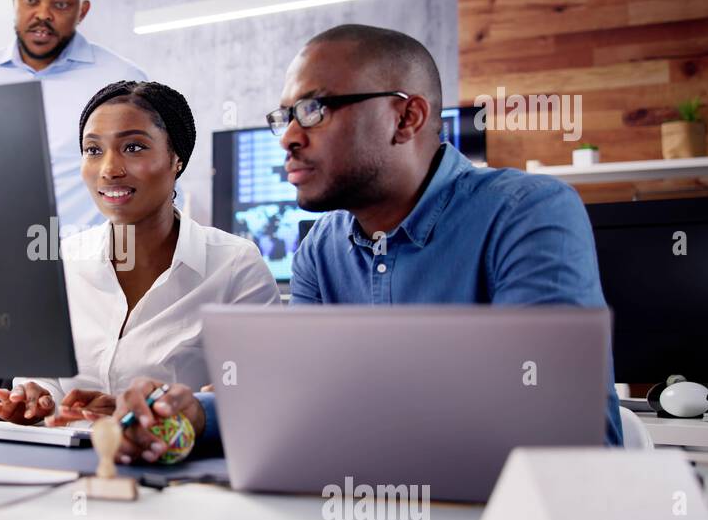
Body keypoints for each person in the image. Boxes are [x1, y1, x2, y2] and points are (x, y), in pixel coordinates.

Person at [108, 23, 622, 465]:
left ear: (406, 118)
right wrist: (193, 412)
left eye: (314, 109)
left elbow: (554, 423)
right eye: (284, 116)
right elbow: (300, 397)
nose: (288, 137)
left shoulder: (525, 211)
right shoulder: (321, 250)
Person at [0, 81, 279, 426]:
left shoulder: (235, 266)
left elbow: (260, 399)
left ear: (176, 159)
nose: (109, 169)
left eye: (133, 147)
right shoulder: (62, 263)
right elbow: (46, 380)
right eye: (93, 150)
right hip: (65, 456)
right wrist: (34, 399)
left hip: (175, 460)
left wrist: (164, 416)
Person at [0, 0, 147, 230]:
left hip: (86, 253)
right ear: (15, 0)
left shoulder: (122, 82)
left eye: (60, 4)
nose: (43, 14)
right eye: (31, 0)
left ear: (82, 11)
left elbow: (154, 186)